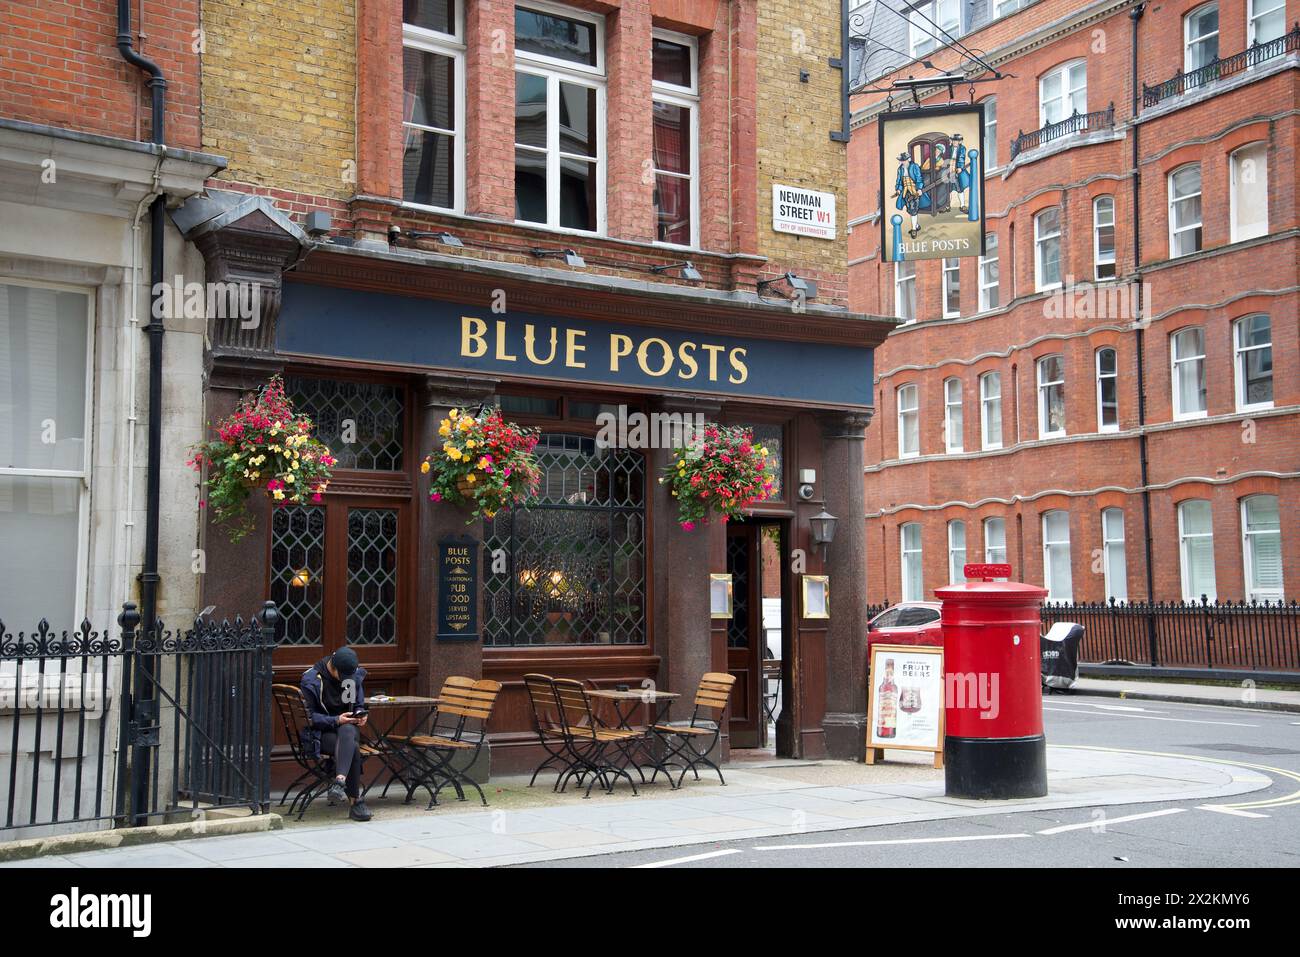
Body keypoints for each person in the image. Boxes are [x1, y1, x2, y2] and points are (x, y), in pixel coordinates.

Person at [300, 646, 373, 821]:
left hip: (347, 731)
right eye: (343, 676)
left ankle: (340, 780)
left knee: (348, 730)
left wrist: (361, 715)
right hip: (322, 734)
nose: (347, 680)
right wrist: (336, 720)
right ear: (332, 667)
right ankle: (356, 803)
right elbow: (309, 718)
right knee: (352, 747)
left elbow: (357, 704)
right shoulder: (312, 680)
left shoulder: (351, 676)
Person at [893, 151, 925, 238]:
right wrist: (898, 189)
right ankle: (916, 225)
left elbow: (919, 178)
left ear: (908, 160)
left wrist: (919, 189)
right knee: (910, 209)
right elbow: (899, 181)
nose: (902, 162)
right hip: (905, 192)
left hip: (914, 191)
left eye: (903, 160)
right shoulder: (900, 169)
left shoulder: (914, 166)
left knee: (913, 209)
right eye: (901, 160)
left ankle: (914, 229)